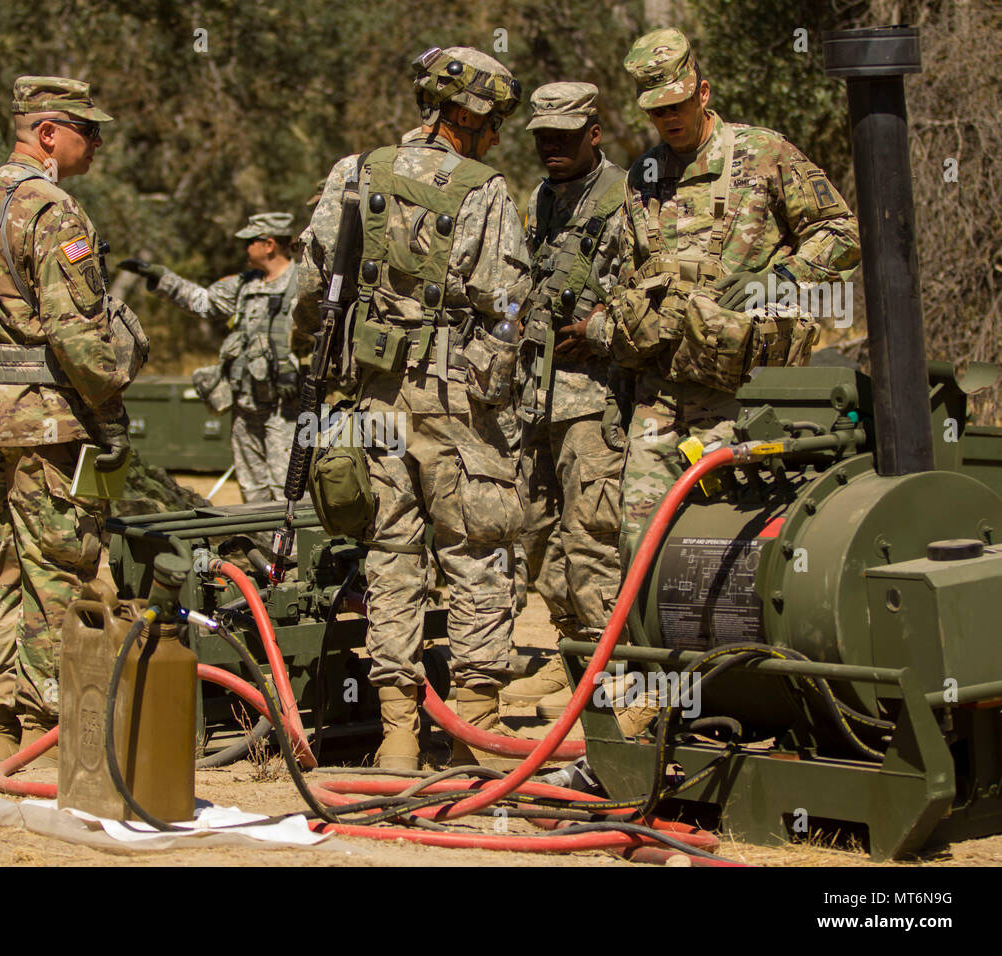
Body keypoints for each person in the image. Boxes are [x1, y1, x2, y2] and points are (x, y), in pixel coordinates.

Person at [294, 46, 530, 771]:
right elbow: (507, 307)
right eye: (492, 124)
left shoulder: (353, 173)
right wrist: (498, 402)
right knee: (475, 553)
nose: (496, 138)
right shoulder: (486, 191)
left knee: (390, 554)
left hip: (374, 397)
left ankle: (398, 732)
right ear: (466, 114)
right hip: (458, 401)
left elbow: (309, 287)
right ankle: (477, 729)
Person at [0, 76, 147, 768]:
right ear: (47, 133)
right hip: (45, 427)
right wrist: (111, 412)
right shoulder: (53, 211)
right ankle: (51, 738)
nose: (99, 142)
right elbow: (78, 337)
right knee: (61, 574)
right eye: (88, 129)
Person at [589, 27, 861, 565]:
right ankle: (639, 649)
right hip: (661, 390)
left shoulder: (763, 152)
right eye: (657, 110)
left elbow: (843, 233)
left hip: (743, 393)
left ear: (703, 93)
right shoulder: (643, 174)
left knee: (730, 543)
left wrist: (780, 278)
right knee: (638, 537)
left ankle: (732, 651)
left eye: (678, 104)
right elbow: (627, 275)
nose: (669, 118)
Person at [501, 83, 627, 719]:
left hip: (594, 399)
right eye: (542, 135)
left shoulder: (626, 197)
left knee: (594, 532)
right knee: (538, 529)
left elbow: (649, 293)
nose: (552, 145)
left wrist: (603, 326)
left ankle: (613, 673)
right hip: (536, 395)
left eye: (565, 134)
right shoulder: (540, 201)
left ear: (594, 134)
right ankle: (573, 652)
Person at [123, 213, 301, 502]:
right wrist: (161, 278)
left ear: (269, 245)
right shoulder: (245, 285)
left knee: (288, 490)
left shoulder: (304, 285)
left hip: (286, 411)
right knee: (253, 490)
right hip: (245, 407)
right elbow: (204, 303)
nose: (245, 248)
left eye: (250, 242)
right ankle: (262, 547)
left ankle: (293, 549)